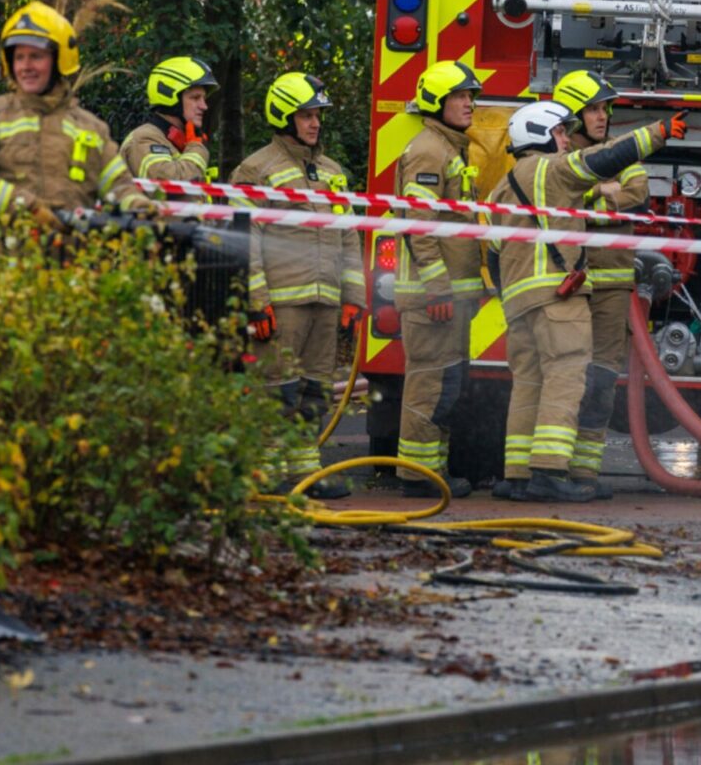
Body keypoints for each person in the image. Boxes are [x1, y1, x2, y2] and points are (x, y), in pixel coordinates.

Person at [487, 100, 682, 503]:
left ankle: (518, 475)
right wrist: (658, 132)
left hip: (518, 303)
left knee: (529, 383)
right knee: (566, 376)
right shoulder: (553, 170)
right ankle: (549, 472)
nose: (565, 140)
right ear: (541, 135)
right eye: (559, 132)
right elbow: (606, 156)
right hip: (558, 296)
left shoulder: (503, 186)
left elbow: (490, 251)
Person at [231, 72, 364, 499]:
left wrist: (353, 298)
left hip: (325, 300)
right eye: (306, 115)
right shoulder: (256, 169)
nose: (315, 123)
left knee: (315, 389)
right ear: (284, 117)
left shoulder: (331, 172)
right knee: (276, 386)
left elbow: (349, 233)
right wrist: (257, 303)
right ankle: (267, 470)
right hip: (281, 302)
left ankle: (306, 471)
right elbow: (245, 239)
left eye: (318, 115)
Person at [0, 1, 145, 219]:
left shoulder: (92, 128)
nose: (25, 66)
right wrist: (27, 207)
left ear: (60, 60)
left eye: (36, 56)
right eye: (19, 57)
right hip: (7, 248)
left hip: (72, 250)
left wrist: (143, 208)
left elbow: (119, 186)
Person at [552, 71, 649, 496]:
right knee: (563, 377)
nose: (602, 116)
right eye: (593, 108)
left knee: (602, 379)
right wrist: (603, 191)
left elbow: (638, 193)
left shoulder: (622, 154)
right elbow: (561, 200)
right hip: (567, 284)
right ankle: (551, 467)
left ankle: (585, 474)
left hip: (610, 289)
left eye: (605, 108)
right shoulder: (557, 155)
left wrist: (592, 195)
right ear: (574, 113)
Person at [392, 60, 486, 498]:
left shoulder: (449, 148)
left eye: (471, 96)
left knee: (445, 386)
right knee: (430, 386)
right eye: (461, 97)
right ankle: (417, 476)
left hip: (451, 295)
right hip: (433, 298)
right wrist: (438, 287)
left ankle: (431, 471)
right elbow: (419, 224)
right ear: (437, 102)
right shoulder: (430, 150)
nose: (470, 103)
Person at [120, 56, 218, 192]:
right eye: (195, 98)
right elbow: (170, 187)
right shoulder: (144, 139)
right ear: (170, 98)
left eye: (203, 98)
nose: (204, 106)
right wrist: (196, 148)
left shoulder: (178, 142)